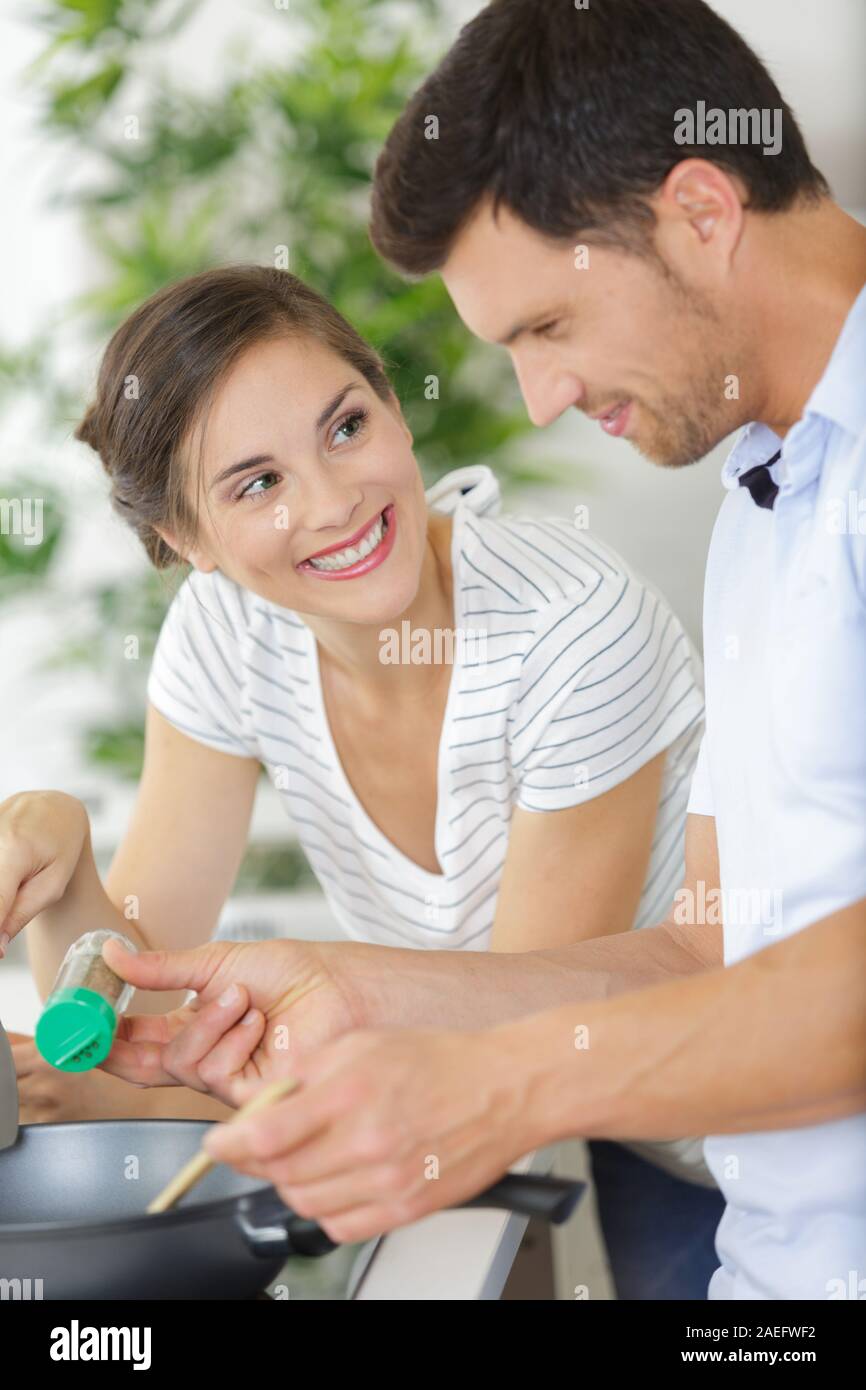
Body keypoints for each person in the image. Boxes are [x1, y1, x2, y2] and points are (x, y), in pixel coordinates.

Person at [92, 0, 866, 1302]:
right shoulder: (766, 509)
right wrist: (350, 985)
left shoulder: (603, 606)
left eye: (544, 330)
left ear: (699, 209)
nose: (538, 400)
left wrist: (491, 1076)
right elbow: (701, 950)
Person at [0, 262, 717, 1297]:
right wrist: (65, 869)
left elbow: (512, 1043)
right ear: (183, 539)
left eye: (344, 426)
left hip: (791, 1107)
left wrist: (138, 1101)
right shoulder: (224, 633)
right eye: (256, 483)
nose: (335, 502)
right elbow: (132, 1005)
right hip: (644, 1131)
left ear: (389, 400)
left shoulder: (570, 632)